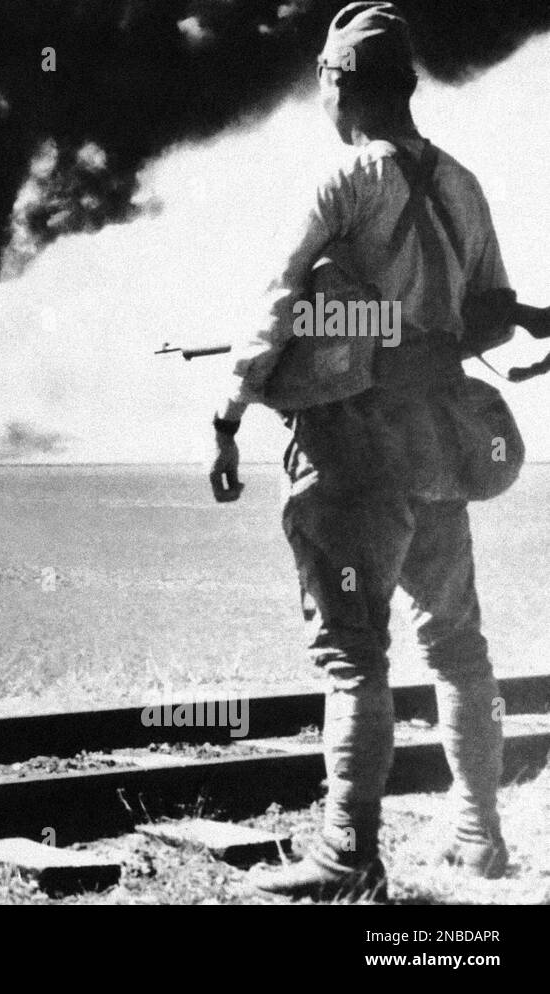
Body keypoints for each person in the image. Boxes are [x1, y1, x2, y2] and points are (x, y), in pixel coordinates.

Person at [210, 2, 514, 901]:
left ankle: (349, 856)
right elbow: (490, 308)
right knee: (457, 644)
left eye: (328, 87)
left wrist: (230, 409)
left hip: (352, 452)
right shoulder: (461, 185)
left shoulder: (344, 181)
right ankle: (479, 836)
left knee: (353, 656)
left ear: (342, 84)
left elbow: (276, 303)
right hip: (439, 446)